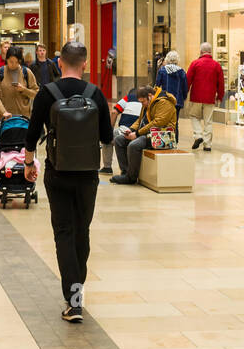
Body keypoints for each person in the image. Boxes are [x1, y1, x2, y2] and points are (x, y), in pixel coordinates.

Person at [23, 42, 113, 322]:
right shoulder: (95, 93)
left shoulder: (47, 93)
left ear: (60, 63)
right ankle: (77, 289)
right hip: (87, 174)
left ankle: (73, 301)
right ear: (84, 64)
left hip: (57, 172)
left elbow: (32, 132)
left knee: (63, 232)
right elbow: (108, 138)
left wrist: (28, 164)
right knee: (81, 230)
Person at [110, 84, 177, 185]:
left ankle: (131, 177)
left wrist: (136, 134)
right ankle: (125, 172)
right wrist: (131, 130)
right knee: (119, 140)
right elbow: (140, 120)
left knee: (134, 145)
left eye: (142, 101)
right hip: (148, 133)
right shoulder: (148, 103)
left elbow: (158, 123)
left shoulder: (164, 102)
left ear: (149, 96)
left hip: (162, 135)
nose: (142, 104)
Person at [186, 41, 224, 152]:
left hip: (196, 97)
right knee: (208, 121)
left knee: (194, 116)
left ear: (201, 52)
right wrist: (220, 96)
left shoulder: (195, 63)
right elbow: (221, 83)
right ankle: (207, 144)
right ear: (210, 52)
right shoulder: (216, 65)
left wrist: (185, 92)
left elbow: (188, 80)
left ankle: (198, 135)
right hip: (210, 98)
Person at [0, 46, 38, 122]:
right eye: (11, 61)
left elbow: (36, 94)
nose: (14, 64)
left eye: (17, 62)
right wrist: (4, 112)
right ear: (7, 60)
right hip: (4, 118)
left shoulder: (27, 72)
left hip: (23, 118)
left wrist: (24, 90)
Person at [100, 90, 140, 176]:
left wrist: (109, 130)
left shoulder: (128, 98)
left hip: (125, 129)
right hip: (139, 131)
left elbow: (114, 112)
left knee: (107, 137)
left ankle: (107, 167)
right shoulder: (147, 99)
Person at [156, 50, 188, 140]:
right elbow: (185, 87)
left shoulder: (162, 70)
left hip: (165, 100)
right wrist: (184, 97)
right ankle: (174, 141)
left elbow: (157, 85)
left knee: (163, 120)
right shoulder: (182, 72)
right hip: (177, 101)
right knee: (175, 121)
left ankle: (164, 141)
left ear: (167, 59)